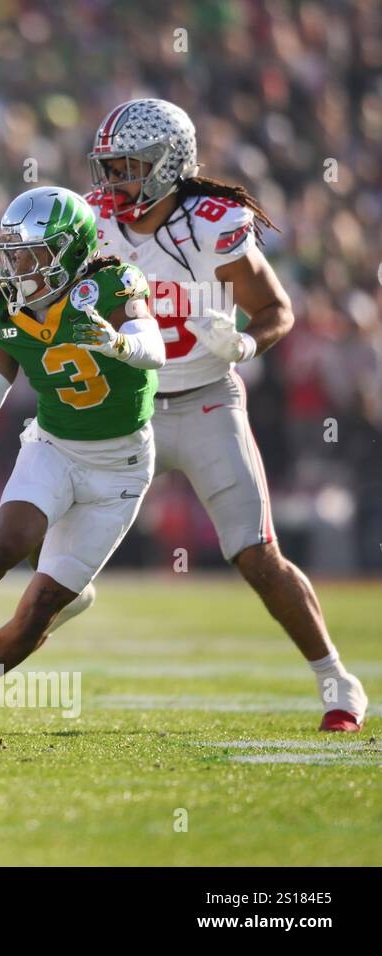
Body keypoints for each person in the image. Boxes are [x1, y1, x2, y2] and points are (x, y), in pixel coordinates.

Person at [86, 98, 368, 731]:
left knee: (254, 551)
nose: (113, 183)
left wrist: (243, 344)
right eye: (108, 168)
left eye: (127, 167)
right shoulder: (95, 220)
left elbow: (277, 310)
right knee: (59, 546)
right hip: (132, 404)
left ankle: (336, 682)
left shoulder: (211, 224)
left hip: (209, 399)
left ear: (167, 165)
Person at [0, 186, 165, 736]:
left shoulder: (110, 286)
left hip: (120, 467)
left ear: (68, 254)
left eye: (29, 254)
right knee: (13, 537)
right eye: (11, 254)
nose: (15, 267)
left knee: (40, 608)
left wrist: (118, 344)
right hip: (54, 444)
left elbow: (154, 347)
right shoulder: (0, 306)